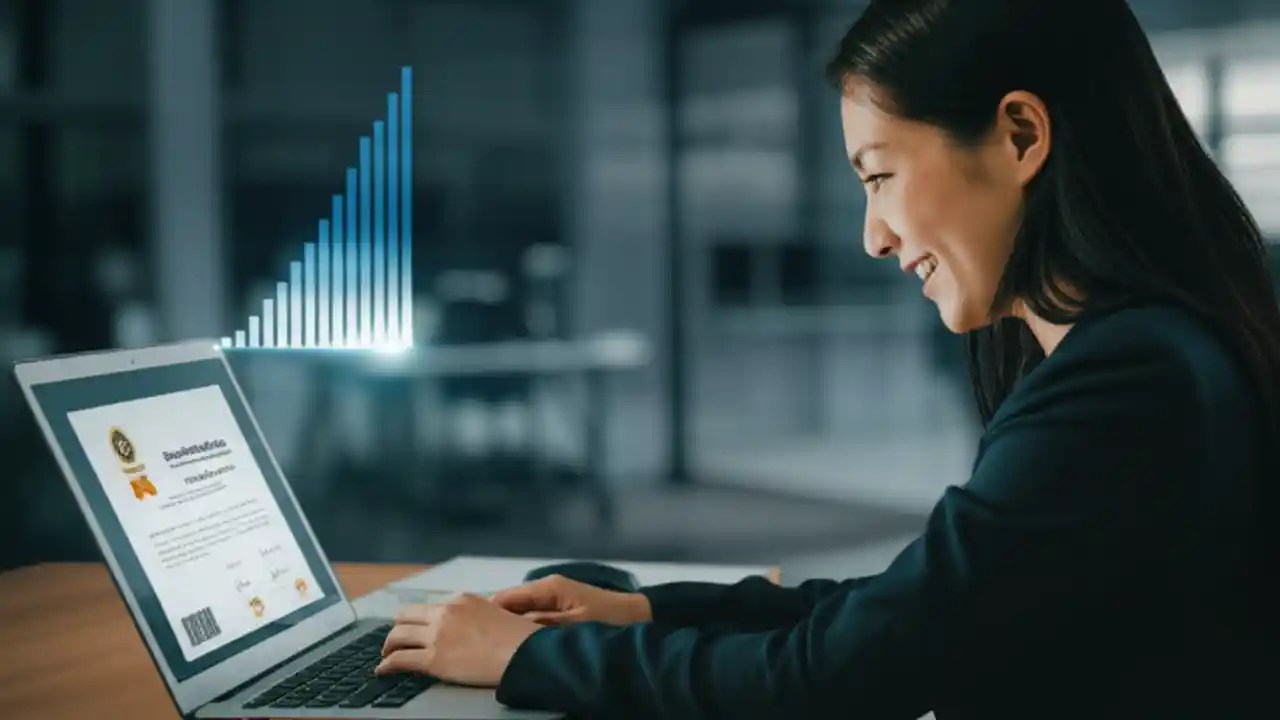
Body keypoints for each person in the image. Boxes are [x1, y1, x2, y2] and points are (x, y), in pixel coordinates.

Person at [375, 0, 1278, 716]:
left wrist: (534, 659)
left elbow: (840, 678)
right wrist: (647, 609)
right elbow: (910, 611)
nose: (873, 236)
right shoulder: (1150, 354)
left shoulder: (1126, 385)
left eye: (880, 174)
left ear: (1020, 137)